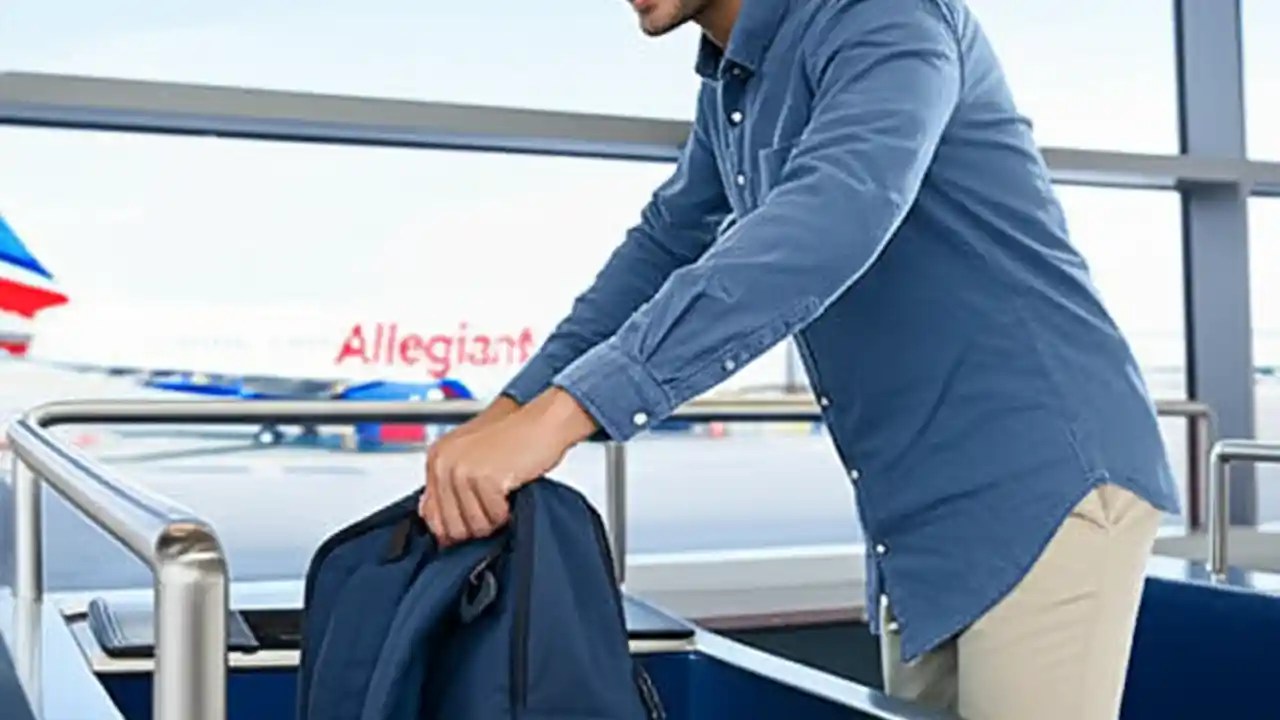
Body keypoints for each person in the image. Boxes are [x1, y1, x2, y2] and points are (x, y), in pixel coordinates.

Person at [420, 0, 1181, 717]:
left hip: (1046, 479)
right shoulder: (731, 93)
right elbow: (659, 250)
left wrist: (565, 417)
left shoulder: (886, 17)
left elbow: (834, 214)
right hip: (914, 518)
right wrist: (508, 415)